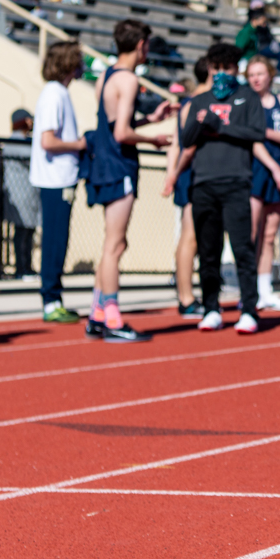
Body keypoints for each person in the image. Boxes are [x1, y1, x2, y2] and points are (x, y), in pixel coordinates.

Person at [85, 19, 173, 342]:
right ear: (140, 45)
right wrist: (154, 140)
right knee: (115, 245)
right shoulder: (130, 79)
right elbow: (122, 133)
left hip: (104, 164)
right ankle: (112, 318)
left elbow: (113, 124)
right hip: (118, 165)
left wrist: (149, 119)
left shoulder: (105, 77)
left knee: (111, 243)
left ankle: (97, 314)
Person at [179, 44, 270, 333]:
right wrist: (200, 121)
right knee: (208, 250)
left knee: (242, 248)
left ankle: (249, 310)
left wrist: (220, 126)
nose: (221, 74)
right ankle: (211, 308)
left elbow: (256, 133)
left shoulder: (248, 98)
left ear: (236, 69)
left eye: (227, 69)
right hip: (203, 182)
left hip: (236, 182)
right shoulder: (200, 100)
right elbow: (186, 140)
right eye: (216, 68)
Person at [29, 43, 86, 323]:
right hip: (55, 179)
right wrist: (79, 144)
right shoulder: (55, 94)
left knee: (58, 240)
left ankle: (54, 297)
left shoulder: (57, 93)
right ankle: (51, 300)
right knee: (54, 240)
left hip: (59, 177)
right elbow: (48, 140)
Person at [245, 56, 280, 312]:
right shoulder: (245, 102)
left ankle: (265, 291)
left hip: (279, 169)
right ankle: (250, 290)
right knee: (252, 235)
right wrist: (274, 167)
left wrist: (262, 131)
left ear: (270, 75)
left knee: (268, 236)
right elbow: (251, 141)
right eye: (251, 74)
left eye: (260, 73)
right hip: (255, 169)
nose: (256, 78)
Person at [161, 57, 210, 320]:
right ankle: (186, 297)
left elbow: (176, 146)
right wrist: (174, 175)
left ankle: (189, 294)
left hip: (192, 174)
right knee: (190, 236)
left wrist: (171, 173)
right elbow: (184, 146)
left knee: (197, 237)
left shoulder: (194, 104)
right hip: (192, 175)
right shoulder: (195, 105)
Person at [4, 108, 38, 278]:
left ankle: (28, 266)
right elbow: (32, 157)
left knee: (29, 231)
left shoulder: (28, 140)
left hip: (30, 193)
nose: (31, 123)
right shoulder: (15, 141)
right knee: (21, 231)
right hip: (19, 194)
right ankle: (21, 268)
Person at [234, 0, 280, 74]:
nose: (264, 22)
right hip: (247, 60)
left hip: (253, 58)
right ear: (255, 19)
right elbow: (239, 48)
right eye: (262, 20)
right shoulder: (246, 32)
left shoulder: (256, 30)